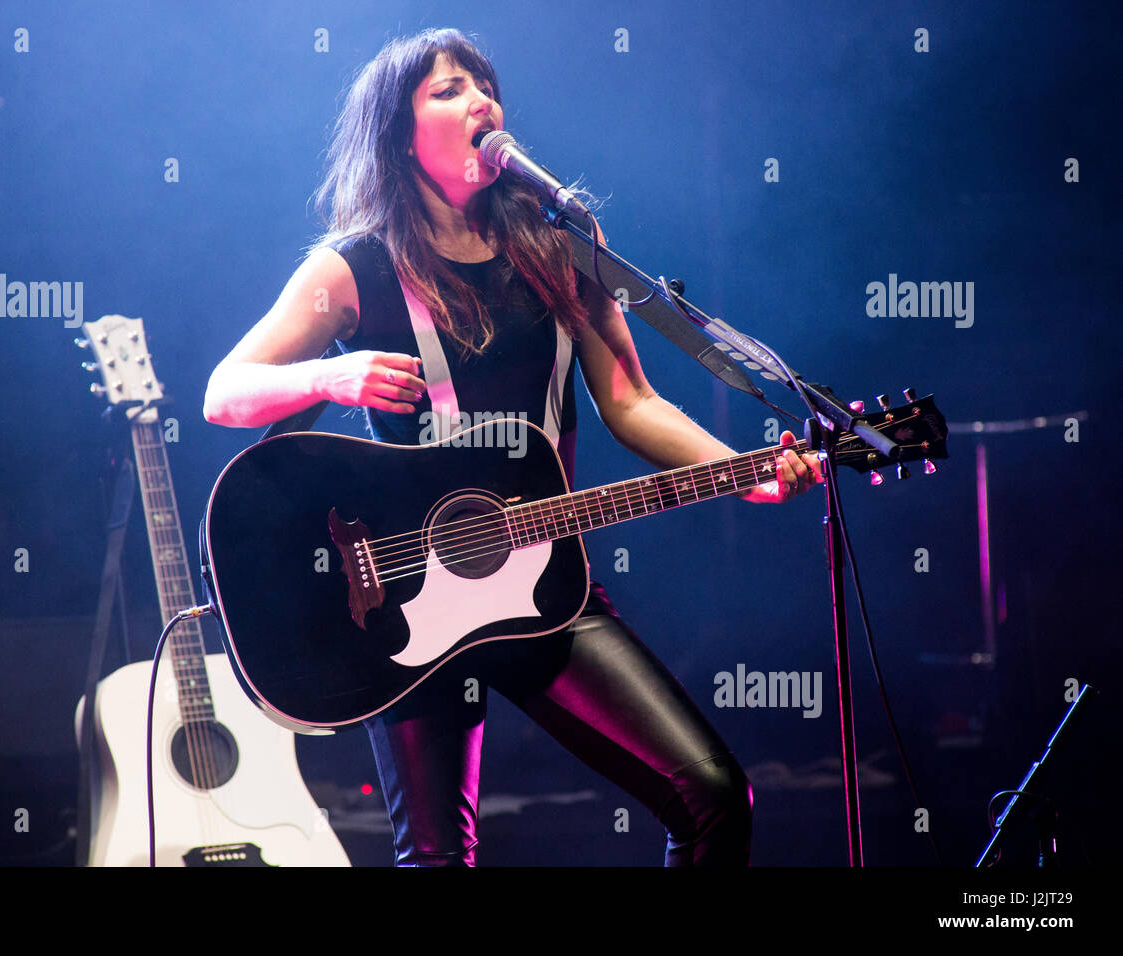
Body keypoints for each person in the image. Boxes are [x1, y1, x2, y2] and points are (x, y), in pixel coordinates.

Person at [203, 28, 823, 866]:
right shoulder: (354, 267)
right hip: (403, 601)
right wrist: (328, 380)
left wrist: (744, 476)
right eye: (447, 89)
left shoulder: (562, 246)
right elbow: (224, 393)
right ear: (399, 130)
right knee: (437, 857)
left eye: (483, 84)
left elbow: (632, 400)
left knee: (713, 796)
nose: (479, 101)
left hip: (546, 591)